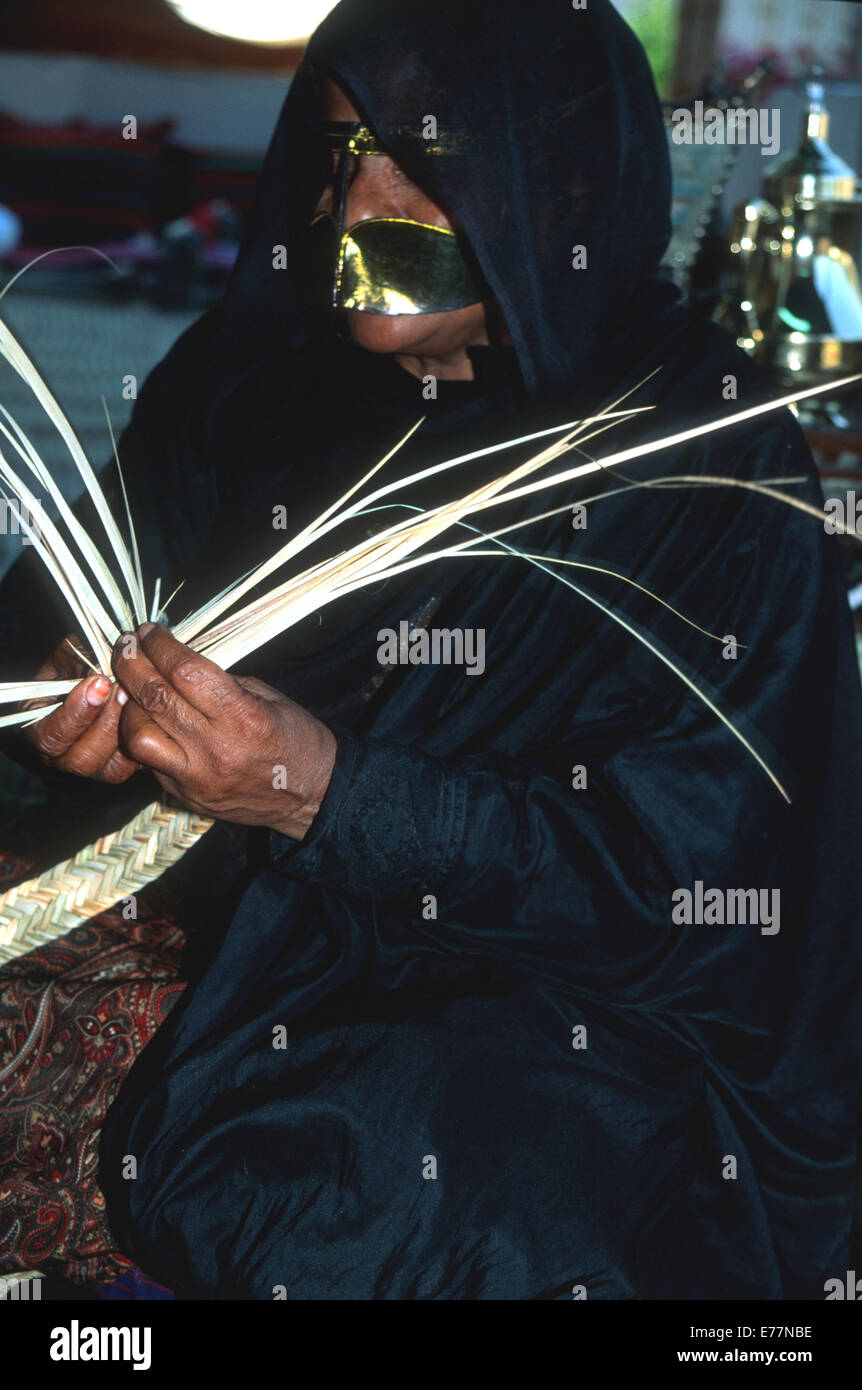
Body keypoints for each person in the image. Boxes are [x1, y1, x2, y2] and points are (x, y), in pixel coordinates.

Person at [1, 0, 861, 1299]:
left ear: (551, 179)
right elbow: (48, 624)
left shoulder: (703, 465)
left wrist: (328, 792)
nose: (356, 209)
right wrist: (74, 704)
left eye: (423, 162)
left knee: (389, 1192)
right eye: (342, 154)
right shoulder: (251, 380)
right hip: (218, 905)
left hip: (545, 994)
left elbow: (688, 893)